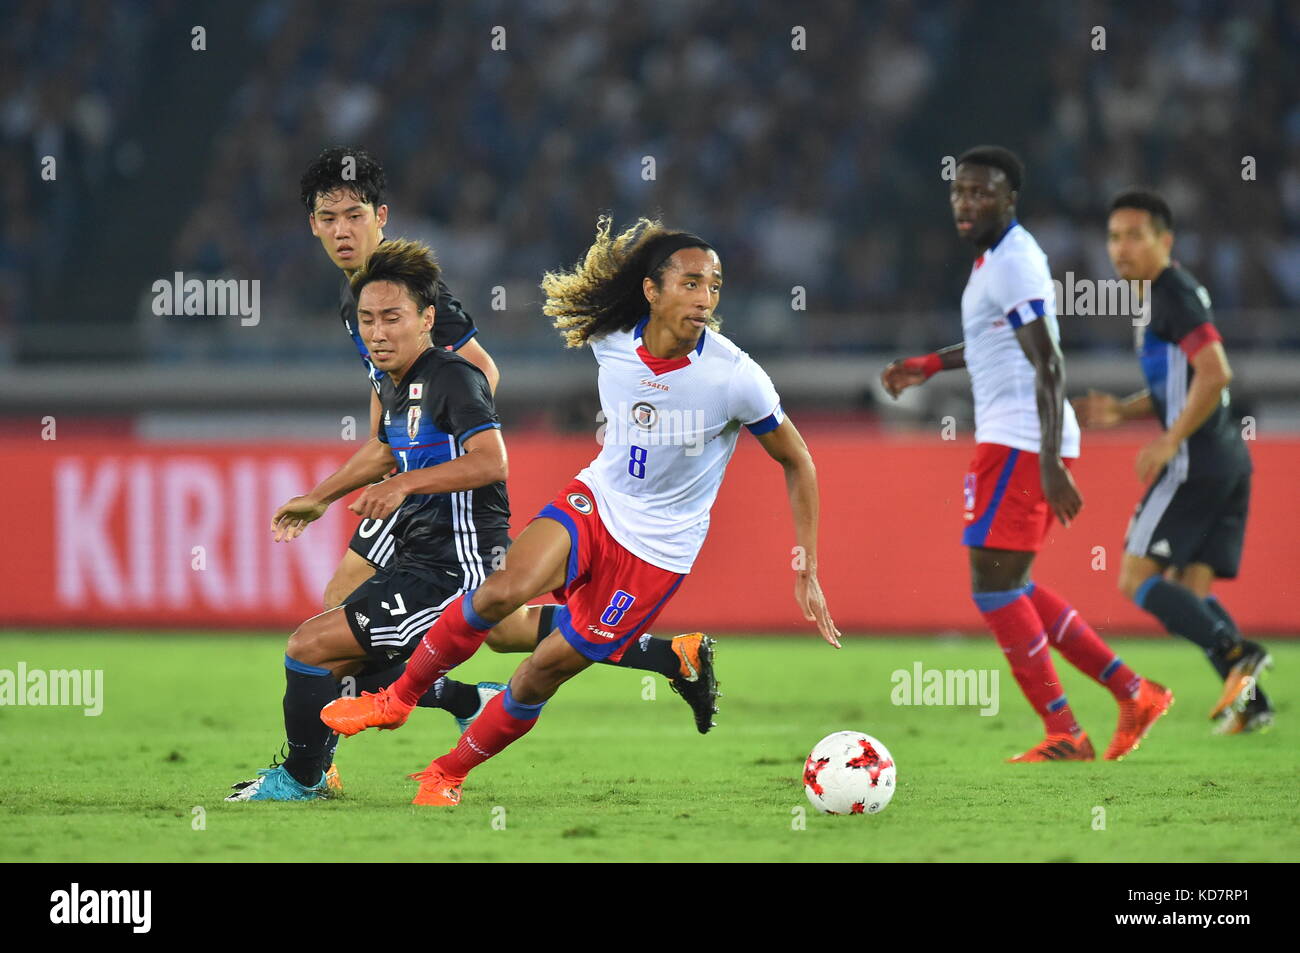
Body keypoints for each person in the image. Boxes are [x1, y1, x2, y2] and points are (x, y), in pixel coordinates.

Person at [321, 218, 841, 805]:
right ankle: (398, 701)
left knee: (541, 670)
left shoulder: (736, 377)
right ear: (652, 290)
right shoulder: (612, 334)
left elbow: (798, 461)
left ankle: (447, 773)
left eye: (714, 286)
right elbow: (479, 351)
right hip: (595, 502)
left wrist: (807, 567)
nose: (705, 299)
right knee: (498, 594)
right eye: (691, 283)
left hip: (657, 551)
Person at [298, 148, 719, 738]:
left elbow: (480, 373)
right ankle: (664, 655)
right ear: (313, 224)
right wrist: (382, 442)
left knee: (347, 613)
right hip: (416, 472)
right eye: (329, 218)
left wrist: (427, 453)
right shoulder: (359, 297)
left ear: (381, 216)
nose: (343, 230)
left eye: (355, 215)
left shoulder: (418, 297)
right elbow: (389, 385)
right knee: (494, 624)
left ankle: (339, 753)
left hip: (443, 482)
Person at [882, 146, 1171, 762]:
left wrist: (1044, 460)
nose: (966, 202)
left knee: (991, 587)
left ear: (1010, 198)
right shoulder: (994, 263)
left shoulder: (1015, 261)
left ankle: (1066, 728)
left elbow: (1049, 361)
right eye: (960, 191)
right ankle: (1133, 691)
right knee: (1011, 583)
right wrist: (931, 363)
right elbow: (995, 342)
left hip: (1020, 440)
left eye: (982, 192)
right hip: (1015, 437)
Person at [229, 240, 512, 800]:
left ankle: (304, 779)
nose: (377, 332)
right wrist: (319, 498)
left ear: (428, 319)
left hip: (455, 566)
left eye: (391, 318)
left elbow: (491, 461)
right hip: (420, 556)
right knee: (332, 647)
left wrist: (407, 483)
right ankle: (467, 702)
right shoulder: (397, 385)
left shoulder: (454, 377)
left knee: (313, 648)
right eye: (366, 321)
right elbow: (384, 451)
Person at [1072, 189, 1273, 734]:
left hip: (1195, 460)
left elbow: (1216, 372)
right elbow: (1181, 382)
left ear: (1165, 241)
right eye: (1114, 237)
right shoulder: (1163, 296)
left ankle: (1239, 656)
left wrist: (1168, 439)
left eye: (1135, 236)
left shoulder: (1171, 294)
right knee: (1191, 593)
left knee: (1135, 578)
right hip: (1227, 460)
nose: (1121, 248)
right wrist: (1127, 408)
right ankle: (1253, 704)